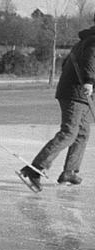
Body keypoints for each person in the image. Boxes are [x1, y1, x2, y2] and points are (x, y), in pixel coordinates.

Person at [19, 18, 95, 191]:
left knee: (82, 133)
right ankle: (35, 169)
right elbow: (91, 60)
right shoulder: (92, 41)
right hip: (76, 93)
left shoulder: (83, 41)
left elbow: (65, 63)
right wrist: (89, 81)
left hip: (75, 92)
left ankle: (70, 171)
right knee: (69, 132)